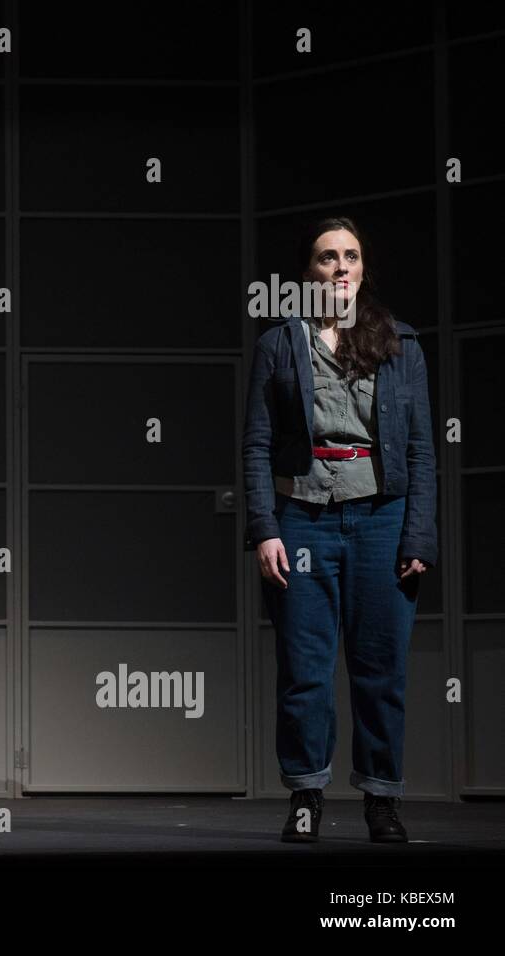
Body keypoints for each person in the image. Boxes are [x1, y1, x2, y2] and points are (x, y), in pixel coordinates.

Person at [242, 216, 436, 843]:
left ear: (363, 268)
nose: (342, 266)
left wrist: (418, 536)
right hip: (302, 518)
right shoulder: (279, 342)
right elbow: (256, 443)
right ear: (309, 272)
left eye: (351, 255)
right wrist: (264, 528)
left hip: (381, 517)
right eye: (329, 257)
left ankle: (381, 798)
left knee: (379, 669)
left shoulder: (401, 341)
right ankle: (305, 793)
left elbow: (423, 452)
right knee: (305, 667)